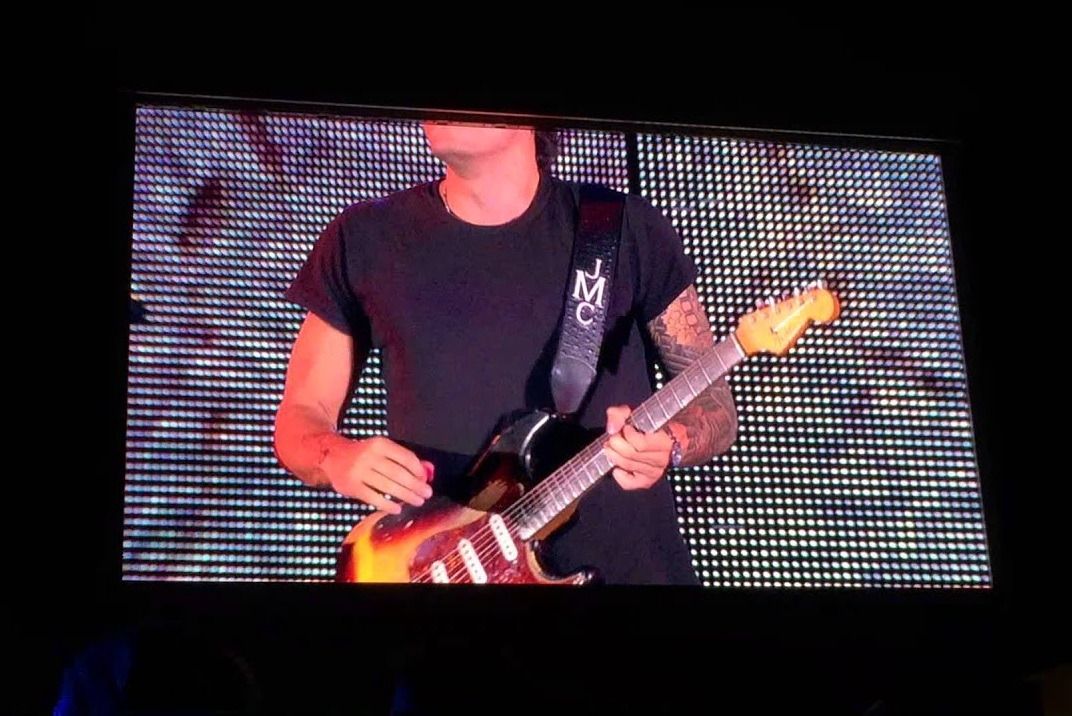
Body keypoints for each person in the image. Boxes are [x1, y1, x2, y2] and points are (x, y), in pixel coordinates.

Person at [272, 121, 737, 585]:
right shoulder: (364, 238)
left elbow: (715, 408)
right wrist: (335, 456)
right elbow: (301, 415)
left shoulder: (620, 226)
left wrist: (671, 445)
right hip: (444, 572)